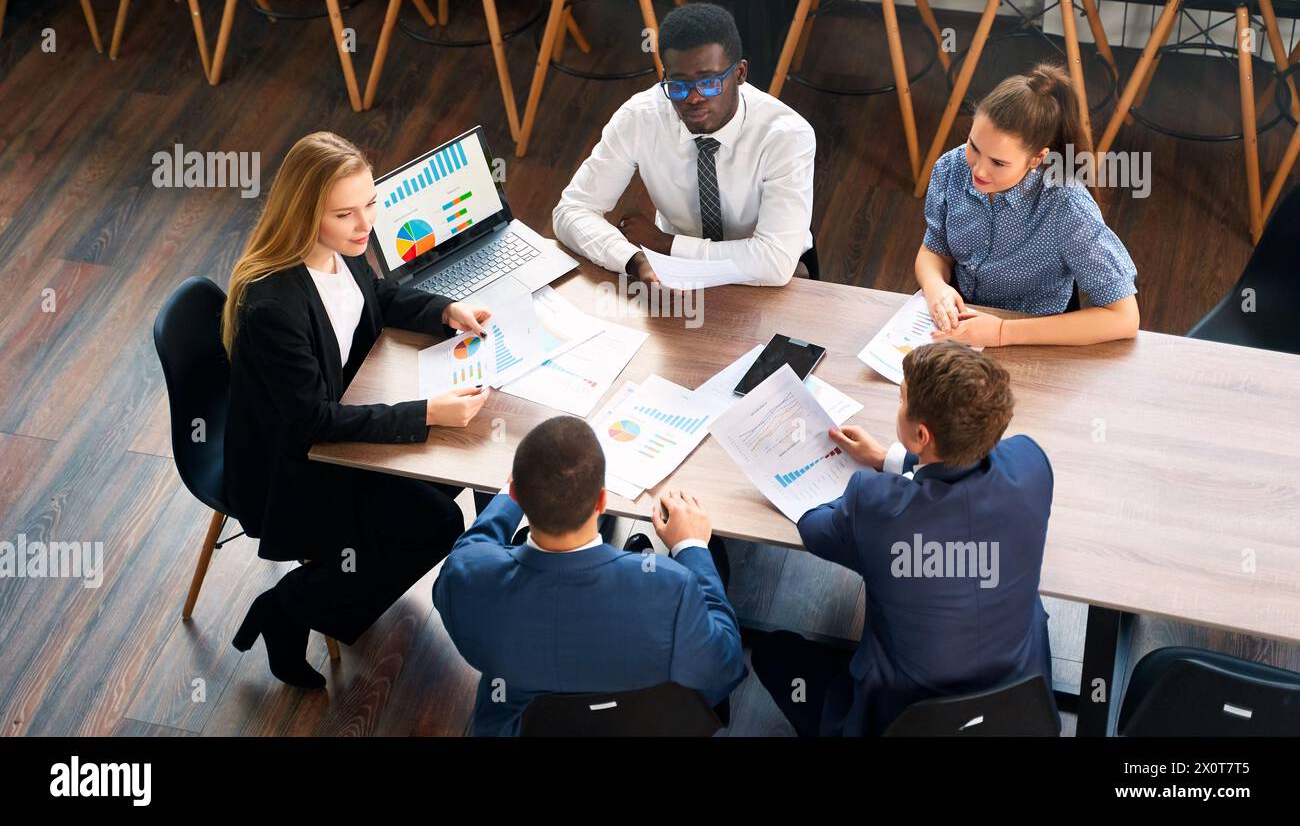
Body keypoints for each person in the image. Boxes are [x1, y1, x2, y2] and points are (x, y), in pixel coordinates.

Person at [223, 131, 492, 688]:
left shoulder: (340, 251)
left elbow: (379, 297)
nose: (366, 224)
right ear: (304, 214)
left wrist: (446, 310)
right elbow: (312, 424)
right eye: (346, 213)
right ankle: (289, 607)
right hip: (297, 464)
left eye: (370, 203)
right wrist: (424, 414)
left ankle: (341, 575)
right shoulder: (275, 304)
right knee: (439, 521)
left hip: (343, 418)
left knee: (449, 473)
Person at [750, 341, 1058, 736]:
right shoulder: (1032, 465)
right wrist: (890, 459)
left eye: (901, 397)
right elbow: (968, 467)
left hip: (899, 719)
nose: (898, 402)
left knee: (775, 653)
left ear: (922, 433)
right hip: (1021, 705)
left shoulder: (876, 508)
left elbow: (813, 526)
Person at [432, 415, 747, 735]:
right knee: (712, 557)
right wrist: (691, 545)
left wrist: (512, 493)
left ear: (515, 492)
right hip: (650, 723)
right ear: (602, 500)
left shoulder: (465, 578)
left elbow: (473, 547)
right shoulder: (671, 587)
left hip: (522, 727)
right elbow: (725, 669)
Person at [552, 2, 816, 287]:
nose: (693, 98)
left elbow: (773, 263)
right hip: (671, 273)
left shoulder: (787, 135)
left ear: (740, 74)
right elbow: (571, 211)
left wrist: (667, 245)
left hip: (768, 276)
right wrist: (632, 259)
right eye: (678, 86)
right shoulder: (640, 117)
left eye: (709, 83)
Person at [916, 62, 1140, 346]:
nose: (978, 170)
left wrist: (1001, 332)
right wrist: (935, 286)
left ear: (1037, 158)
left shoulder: (1067, 206)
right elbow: (934, 249)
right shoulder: (951, 167)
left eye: (998, 162)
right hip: (961, 322)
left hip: (1034, 335)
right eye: (974, 147)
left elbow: (1124, 318)